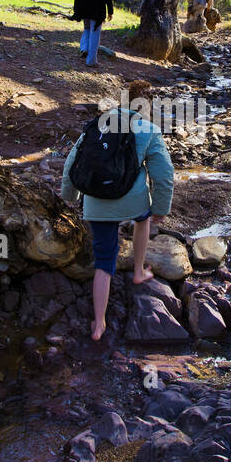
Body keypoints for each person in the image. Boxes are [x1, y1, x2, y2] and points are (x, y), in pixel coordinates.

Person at [61, 105, 174, 341]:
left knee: (104, 261)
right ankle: (139, 271)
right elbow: (163, 175)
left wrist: (70, 197)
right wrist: (160, 210)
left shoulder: (98, 125)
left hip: (96, 201)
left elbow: (72, 163)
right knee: (143, 220)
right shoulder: (149, 130)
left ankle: (99, 324)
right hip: (132, 202)